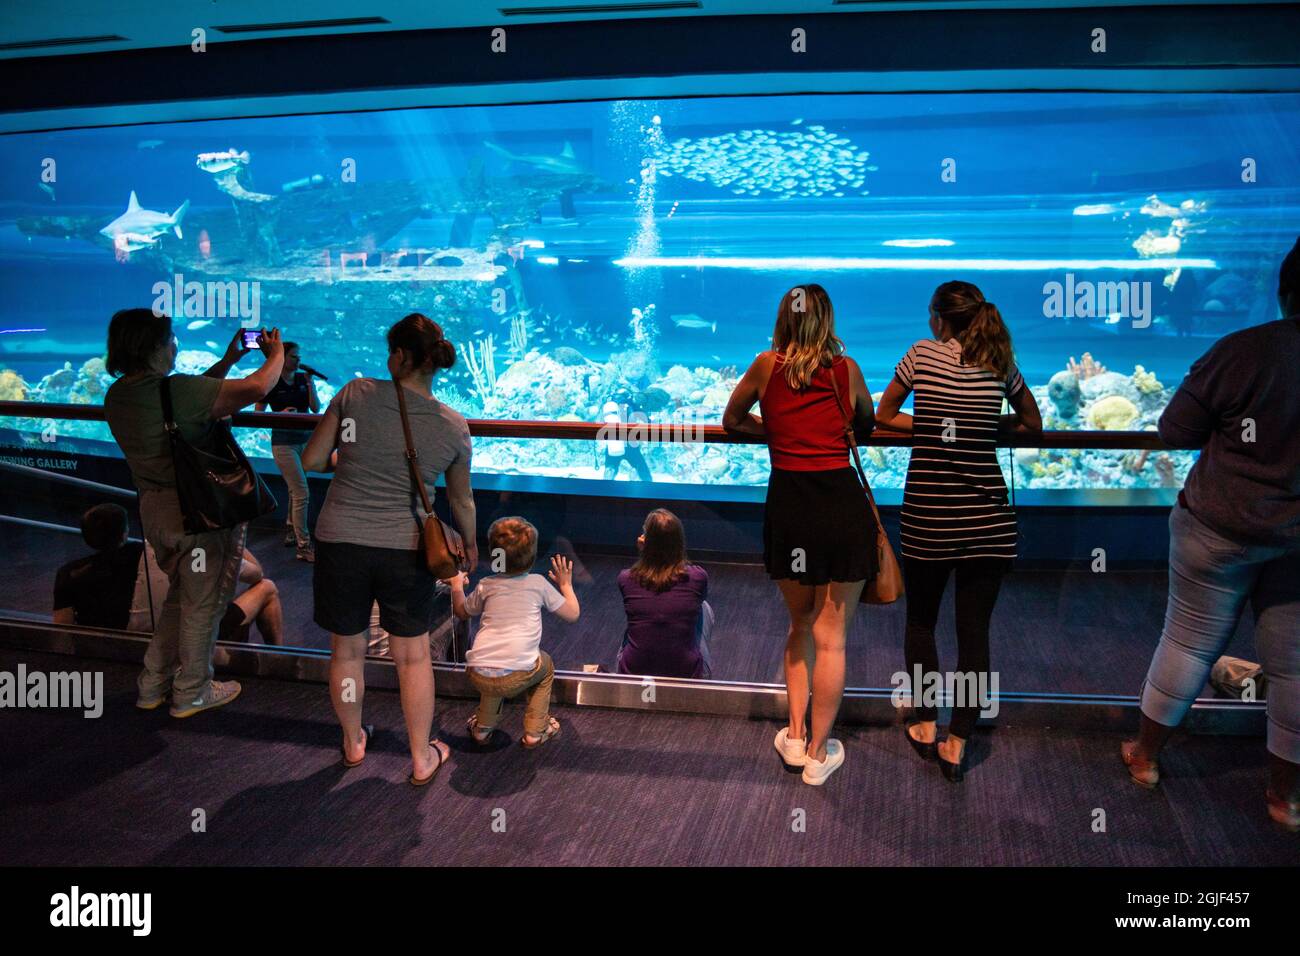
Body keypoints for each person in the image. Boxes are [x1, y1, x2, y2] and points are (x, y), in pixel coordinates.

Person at [1122, 238, 1300, 832]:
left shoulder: (1243, 351)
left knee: (1189, 644)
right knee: (1296, 667)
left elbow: (1175, 431)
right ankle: (1283, 798)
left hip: (1217, 528)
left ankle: (1145, 759)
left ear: (1283, 290)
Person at [875, 280, 1041, 782]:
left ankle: (925, 722)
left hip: (929, 518)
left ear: (939, 317)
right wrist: (984, 428)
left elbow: (883, 414)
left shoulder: (921, 355)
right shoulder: (998, 361)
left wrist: (928, 426)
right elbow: (1031, 422)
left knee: (921, 622)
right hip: (988, 522)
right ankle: (959, 740)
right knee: (974, 634)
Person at [302, 313, 476, 786]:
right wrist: (473, 544)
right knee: (413, 656)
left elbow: (313, 459)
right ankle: (421, 758)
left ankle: (353, 742)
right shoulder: (453, 425)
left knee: (347, 650)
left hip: (340, 541)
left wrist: (351, 457)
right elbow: (460, 498)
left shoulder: (354, 395)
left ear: (399, 356)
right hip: (405, 546)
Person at [723, 283, 877, 786]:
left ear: (784, 319)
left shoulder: (766, 365)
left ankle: (792, 735)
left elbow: (731, 420)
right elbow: (868, 424)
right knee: (832, 638)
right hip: (840, 507)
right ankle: (817, 752)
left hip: (789, 506)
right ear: (827, 320)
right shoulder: (846, 371)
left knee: (799, 625)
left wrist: (777, 433)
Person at [104, 311, 284, 717]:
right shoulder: (178, 391)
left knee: (178, 599)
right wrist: (274, 354)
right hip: (198, 513)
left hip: (156, 511)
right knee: (204, 604)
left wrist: (227, 361)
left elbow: (184, 400)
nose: (175, 345)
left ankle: (152, 684)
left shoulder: (118, 395)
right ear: (152, 347)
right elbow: (258, 386)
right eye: (170, 339)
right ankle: (192, 691)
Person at [450, 516, 579, 748]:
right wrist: (566, 585)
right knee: (546, 665)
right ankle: (535, 731)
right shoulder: (538, 583)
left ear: (494, 555)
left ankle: (482, 728)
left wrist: (456, 585)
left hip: (477, 673)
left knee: (493, 658)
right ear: (532, 557)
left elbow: (461, 611)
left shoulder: (486, 584)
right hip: (517, 675)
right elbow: (572, 613)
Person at [616, 508, 713, 679]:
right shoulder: (698, 577)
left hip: (634, 671)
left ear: (645, 542)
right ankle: (699, 681)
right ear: (679, 542)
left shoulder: (625, 578)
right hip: (685, 673)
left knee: (637, 619)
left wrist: (643, 553)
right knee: (703, 607)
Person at [256, 340, 320, 563]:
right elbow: (258, 413)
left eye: (300, 356)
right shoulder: (272, 382)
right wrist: (280, 413)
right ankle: (304, 546)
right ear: (283, 358)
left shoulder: (304, 379)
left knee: (295, 490)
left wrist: (311, 384)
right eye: (294, 357)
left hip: (305, 442)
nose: (299, 360)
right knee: (302, 491)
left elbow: (315, 408)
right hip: (283, 443)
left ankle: (292, 530)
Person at [53, 503, 146, 630]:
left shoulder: (68, 573)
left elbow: (62, 625)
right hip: (134, 639)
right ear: (124, 533)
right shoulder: (140, 556)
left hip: (91, 643)